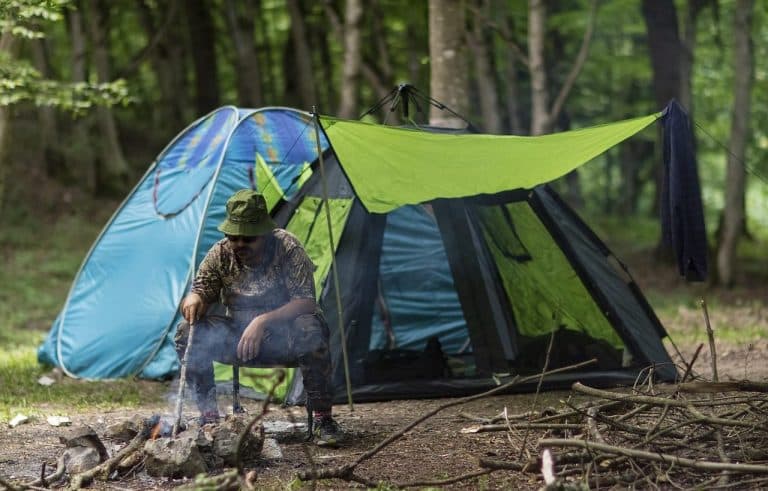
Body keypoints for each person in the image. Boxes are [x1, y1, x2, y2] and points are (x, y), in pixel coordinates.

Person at [175, 189, 341, 447]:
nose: (240, 244)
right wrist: (194, 299)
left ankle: (323, 419)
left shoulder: (288, 248)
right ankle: (209, 418)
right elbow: (201, 290)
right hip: (238, 339)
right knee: (187, 331)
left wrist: (262, 320)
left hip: (286, 338)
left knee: (310, 328)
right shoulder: (220, 253)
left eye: (248, 239)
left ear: (264, 233)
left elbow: (307, 301)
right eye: (234, 237)